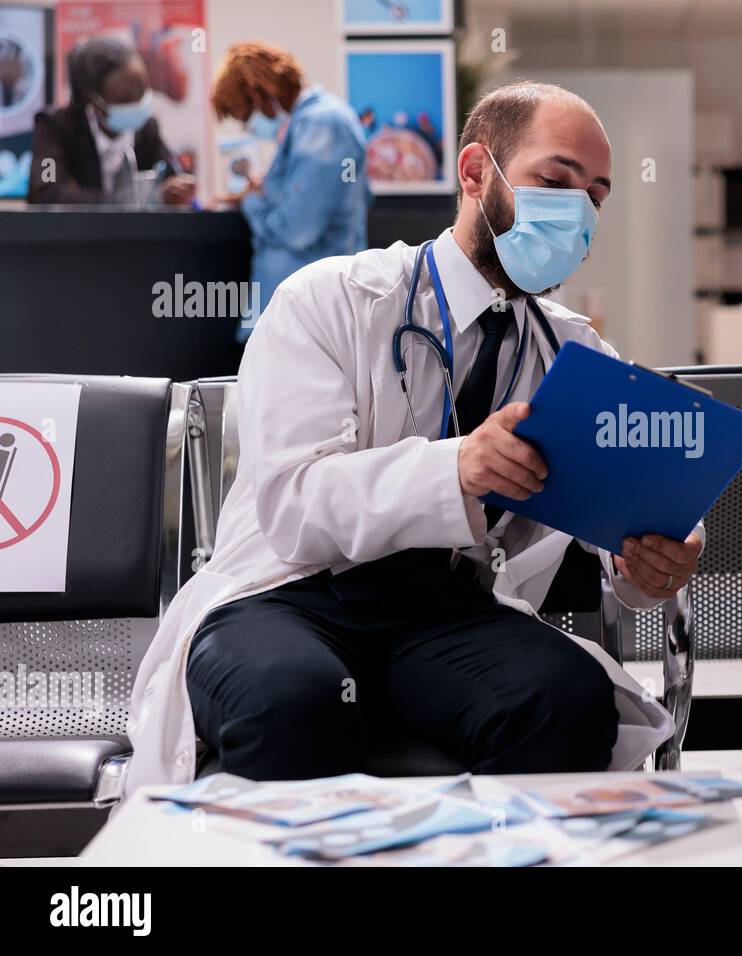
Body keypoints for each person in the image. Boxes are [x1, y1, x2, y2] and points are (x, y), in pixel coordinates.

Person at [125, 81, 704, 793]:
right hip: (288, 594)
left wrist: (650, 560)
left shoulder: (576, 358)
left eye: (597, 197)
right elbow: (293, 507)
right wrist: (455, 467)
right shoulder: (329, 300)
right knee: (293, 700)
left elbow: (625, 524)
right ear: (474, 173)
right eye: (554, 181)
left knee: (563, 699)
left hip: (444, 611)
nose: (578, 213)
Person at [209, 41, 371, 341]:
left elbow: (298, 229)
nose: (248, 127)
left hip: (310, 320)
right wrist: (267, 191)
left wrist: (252, 202)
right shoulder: (313, 123)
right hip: (301, 318)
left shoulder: (321, 124)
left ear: (259, 93)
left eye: (246, 116)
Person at [28, 36, 196, 205]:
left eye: (142, 91)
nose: (137, 104)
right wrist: (124, 202)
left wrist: (174, 189)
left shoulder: (146, 128)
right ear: (93, 101)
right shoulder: (54, 127)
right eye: (124, 99)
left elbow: (171, 173)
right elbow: (47, 192)